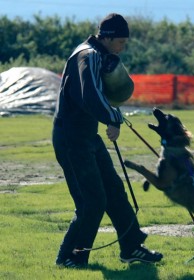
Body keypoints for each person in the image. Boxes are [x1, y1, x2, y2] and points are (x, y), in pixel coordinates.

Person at [52, 13, 163, 268]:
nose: (123, 47)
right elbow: (90, 96)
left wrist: (111, 116)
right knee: (91, 201)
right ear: (109, 37)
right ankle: (69, 257)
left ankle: (132, 247)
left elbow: (100, 97)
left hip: (88, 135)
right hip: (71, 138)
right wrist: (113, 118)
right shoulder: (87, 56)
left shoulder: (98, 56)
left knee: (114, 190)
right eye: (121, 42)